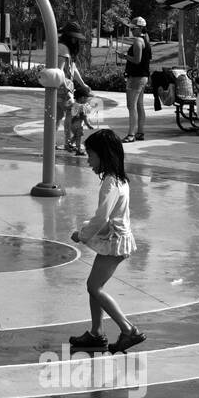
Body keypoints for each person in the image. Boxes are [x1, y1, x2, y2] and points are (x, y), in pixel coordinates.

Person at [68, 129, 146, 355]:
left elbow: (102, 217)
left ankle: (128, 330)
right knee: (95, 286)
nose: (88, 161)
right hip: (116, 238)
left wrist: (82, 234)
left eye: (90, 155)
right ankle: (96, 333)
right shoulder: (120, 179)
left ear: (103, 154)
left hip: (115, 241)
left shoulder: (110, 182)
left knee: (93, 287)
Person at [56, 21, 89, 151]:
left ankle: (53, 142)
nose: (76, 40)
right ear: (69, 36)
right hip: (63, 88)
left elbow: (72, 69)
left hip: (58, 87)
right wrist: (66, 89)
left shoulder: (64, 48)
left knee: (57, 116)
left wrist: (82, 84)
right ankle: (67, 142)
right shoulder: (63, 48)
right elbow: (60, 70)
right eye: (74, 37)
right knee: (71, 114)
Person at [119, 17, 151, 143]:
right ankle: (140, 132)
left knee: (131, 106)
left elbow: (137, 60)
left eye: (133, 28)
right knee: (139, 105)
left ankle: (131, 134)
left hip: (136, 77)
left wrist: (125, 56)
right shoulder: (146, 40)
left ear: (140, 29)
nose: (131, 30)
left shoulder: (138, 40)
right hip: (143, 77)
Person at [66, 83, 94, 155]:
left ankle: (70, 144)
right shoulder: (82, 106)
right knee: (79, 136)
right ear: (82, 98)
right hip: (78, 124)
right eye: (87, 97)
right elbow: (84, 116)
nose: (87, 100)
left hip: (72, 124)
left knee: (76, 135)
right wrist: (88, 125)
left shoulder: (74, 104)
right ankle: (78, 149)